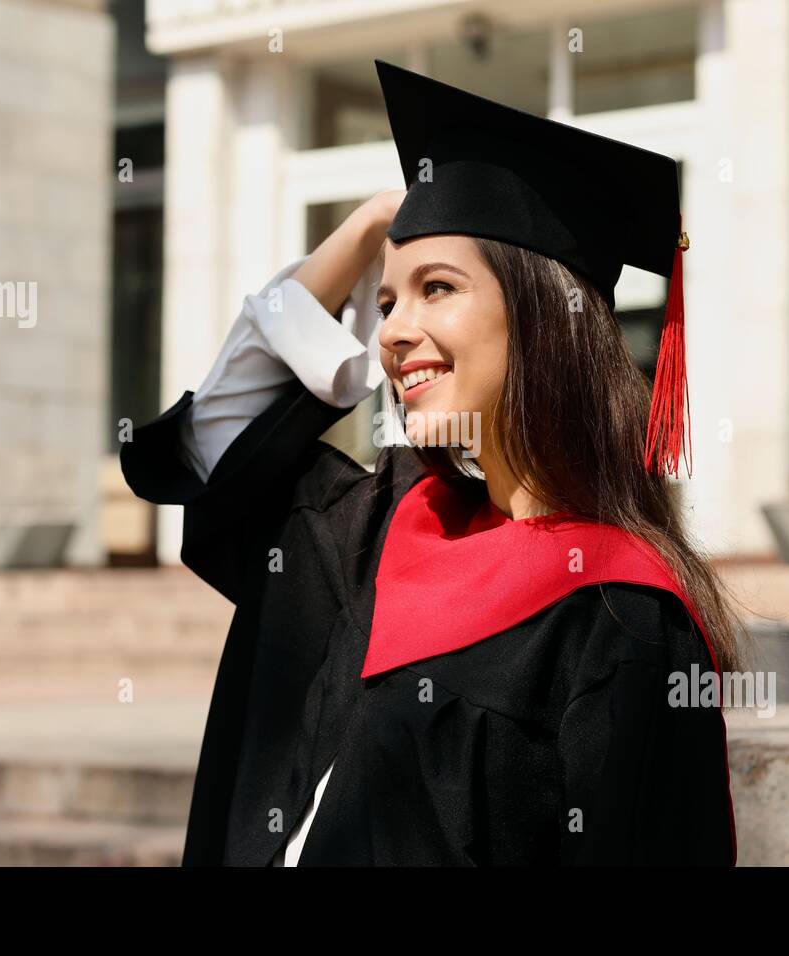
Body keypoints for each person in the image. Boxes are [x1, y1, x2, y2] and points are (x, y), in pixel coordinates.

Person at [120, 60, 745, 866]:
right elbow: (213, 446)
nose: (391, 332)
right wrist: (372, 222)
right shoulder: (378, 530)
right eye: (386, 302)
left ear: (543, 313)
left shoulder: (617, 616)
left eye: (436, 289)